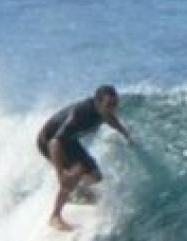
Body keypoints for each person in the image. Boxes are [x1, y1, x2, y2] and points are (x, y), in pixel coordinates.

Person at [36, 85, 133, 230]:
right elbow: (55, 142)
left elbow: (109, 118)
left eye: (115, 104)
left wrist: (125, 133)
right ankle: (55, 216)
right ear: (97, 102)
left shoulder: (103, 111)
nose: (112, 108)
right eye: (109, 105)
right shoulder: (80, 113)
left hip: (69, 141)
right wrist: (61, 173)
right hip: (49, 141)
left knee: (95, 176)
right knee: (73, 174)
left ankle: (77, 193)